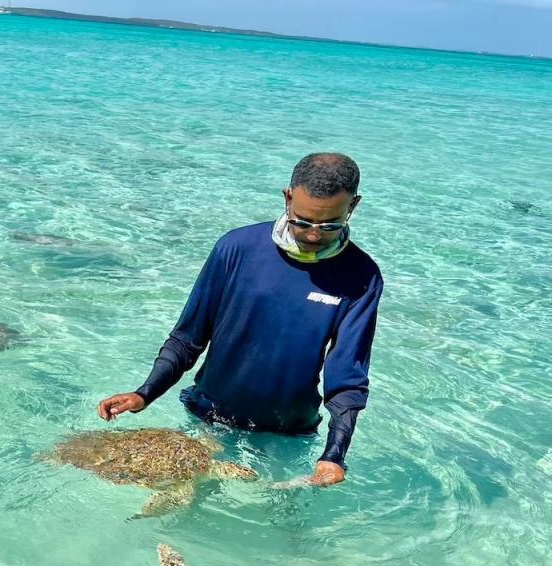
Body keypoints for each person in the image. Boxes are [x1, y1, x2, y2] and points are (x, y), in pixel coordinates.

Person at [97, 152, 383, 487]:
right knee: (188, 512)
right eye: (302, 221)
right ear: (288, 197)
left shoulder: (361, 277)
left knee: (287, 529)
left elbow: (347, 378)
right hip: (208, 416)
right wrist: (145, 393)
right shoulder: (237, 249)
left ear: (353, 206)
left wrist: (334, 455)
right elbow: (187, 338)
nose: (314, 235)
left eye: (330, 225)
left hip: (288, 434)